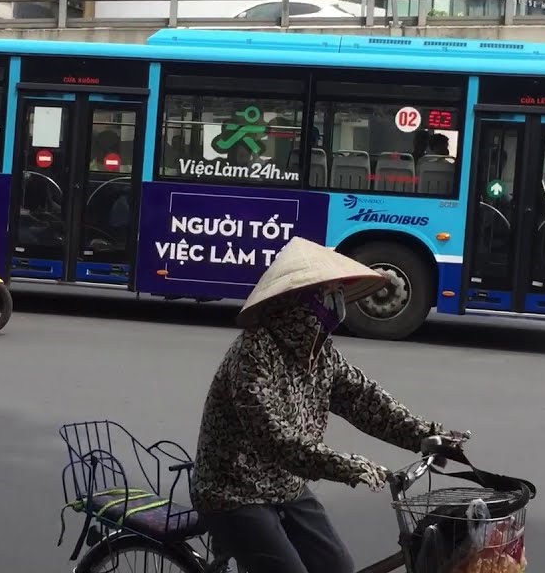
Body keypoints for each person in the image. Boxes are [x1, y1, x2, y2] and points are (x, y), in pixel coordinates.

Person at [190, 237, 469, 573]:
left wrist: (423, 435)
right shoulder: (253, 354)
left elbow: (364, 399)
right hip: (232, 491)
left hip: (285, 485)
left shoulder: (319, 354)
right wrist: (348, 466)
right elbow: (278, 441)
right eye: (326, 294)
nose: (336, 302)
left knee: (337, 567)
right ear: (297, 303)